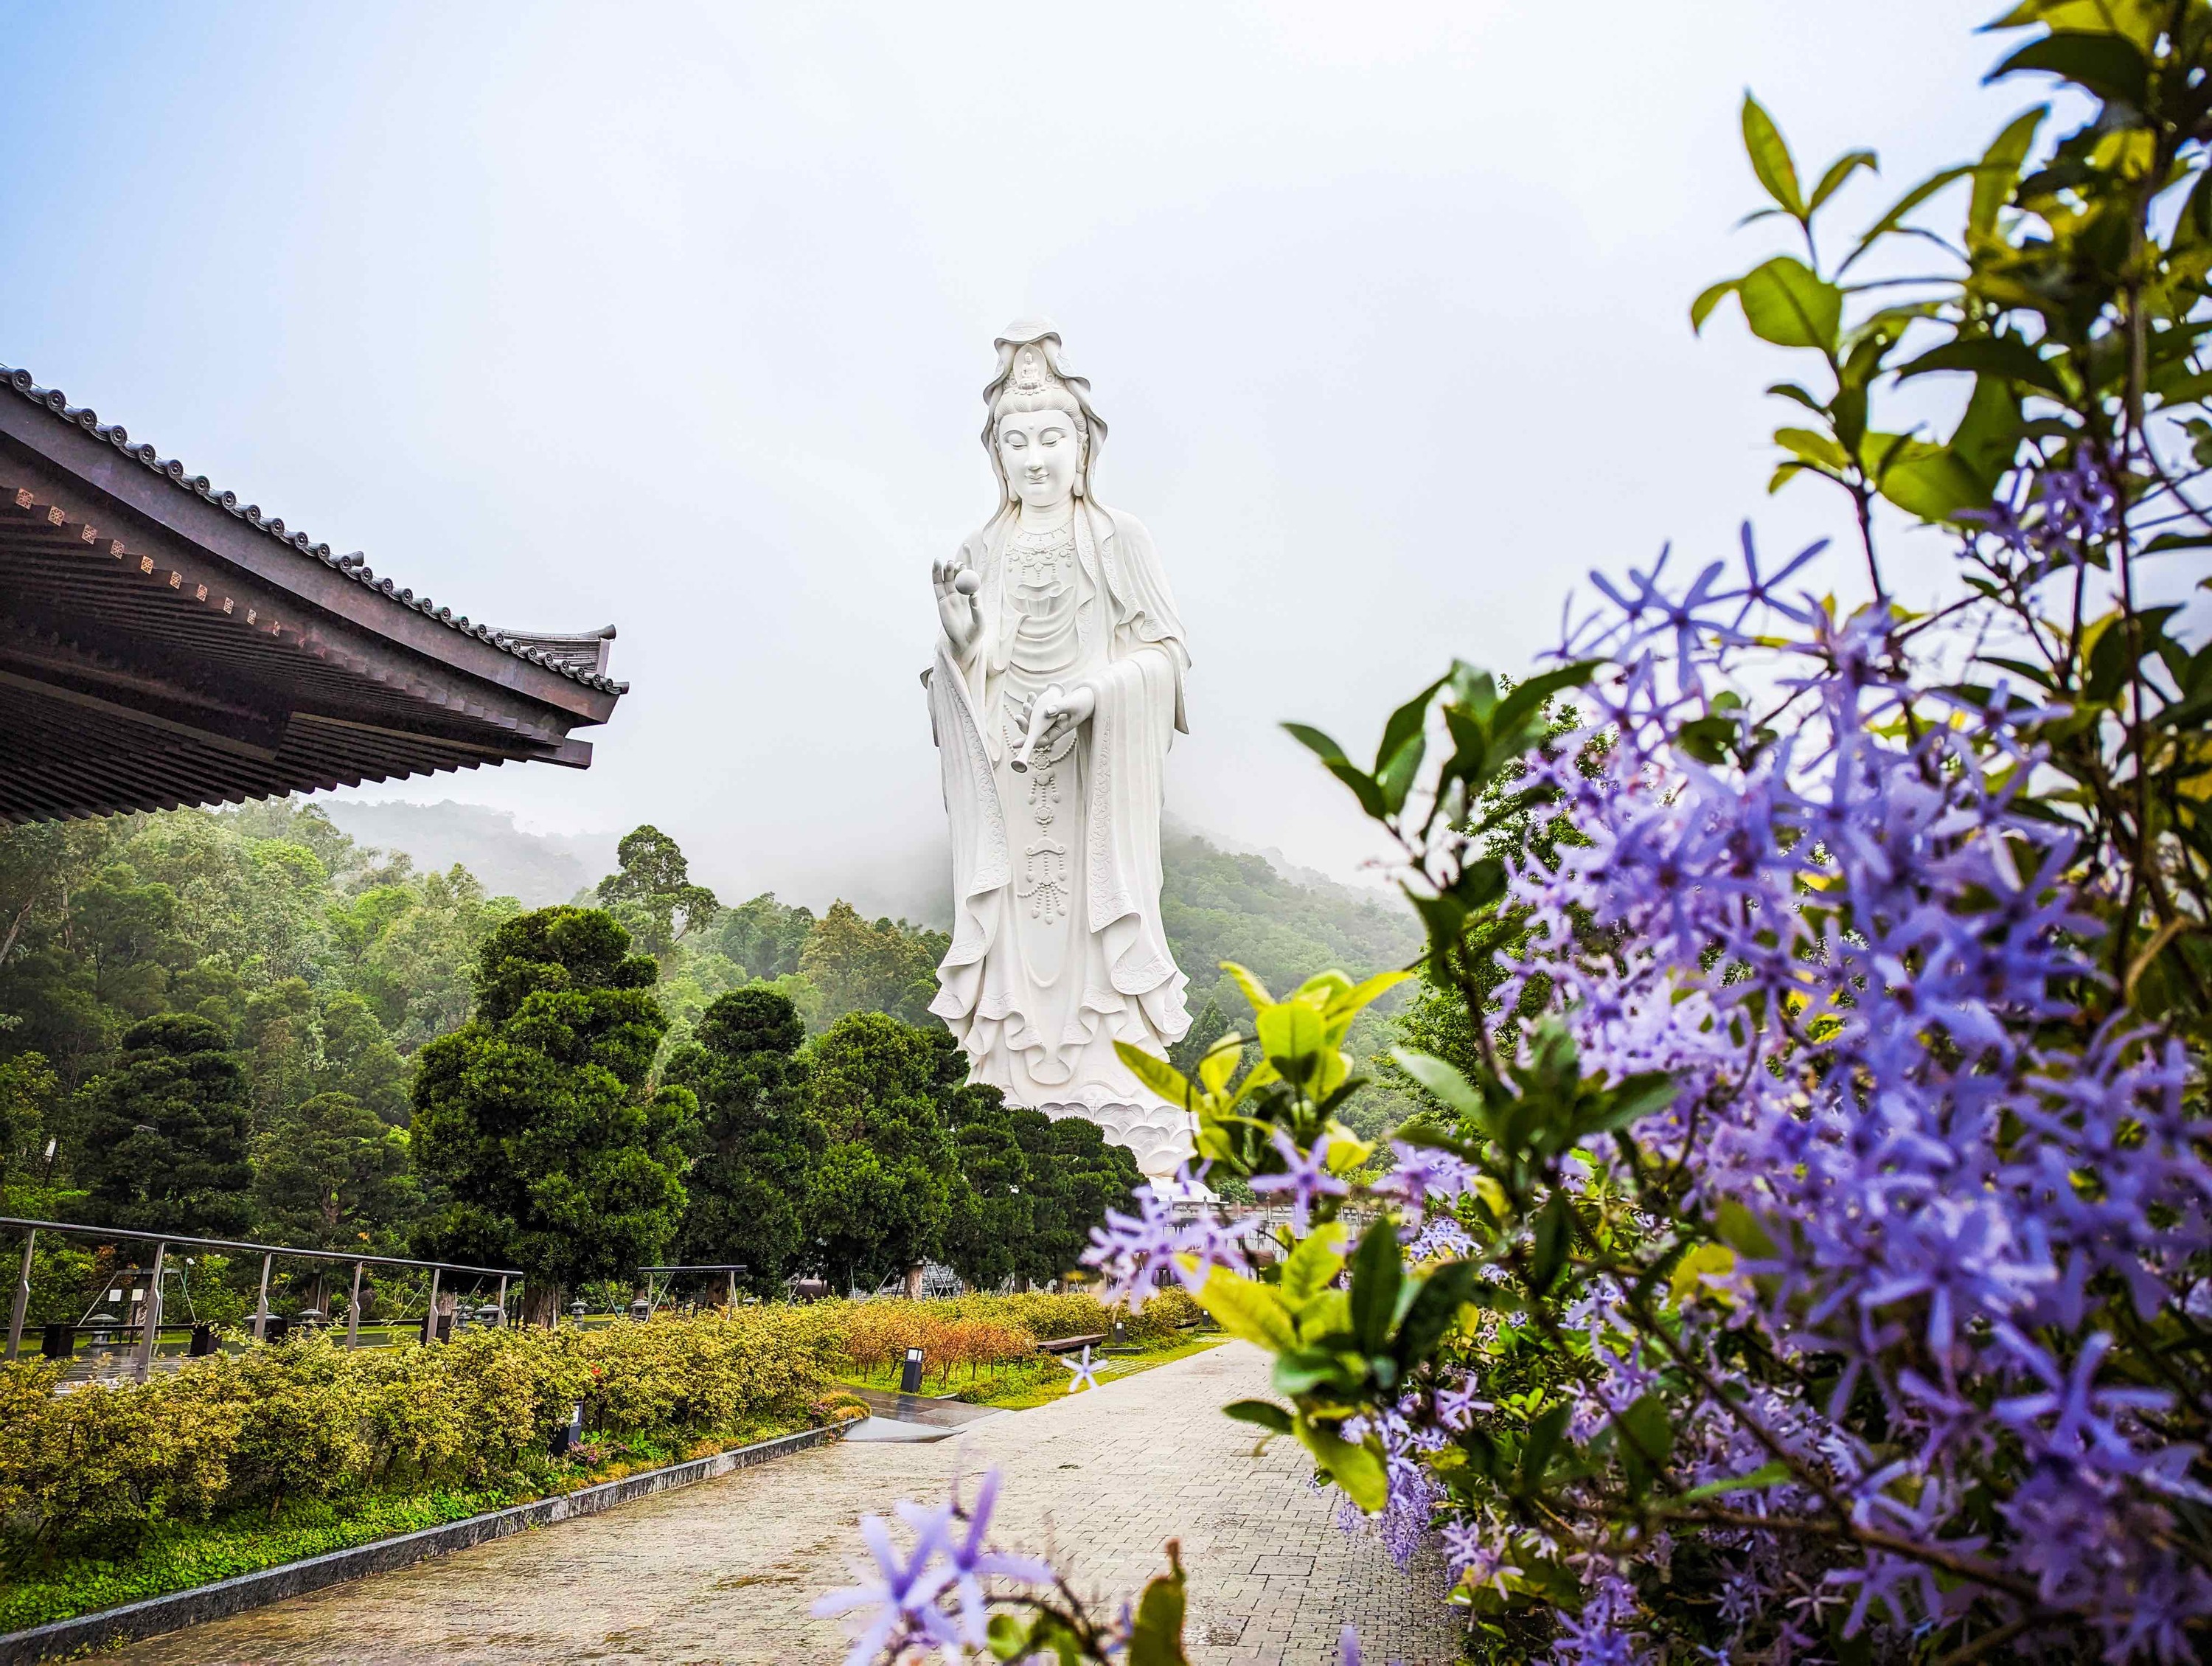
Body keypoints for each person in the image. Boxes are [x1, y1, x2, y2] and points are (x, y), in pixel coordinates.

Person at [924, 321, 1194, 1184]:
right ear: (996, 457)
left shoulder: (1120, 538)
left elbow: (1166, 658)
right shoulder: (980, 549)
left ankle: (1112, 1079)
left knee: (1093, 923)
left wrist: (1095, 695)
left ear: (1082, 450)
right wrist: (961, 644)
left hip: (1094, 776)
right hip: (1009, 773)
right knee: (1010, 915)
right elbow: (962, 679)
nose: (1035, 458)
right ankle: (1004, 1083)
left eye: (1051, 438)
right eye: (1017, 441)